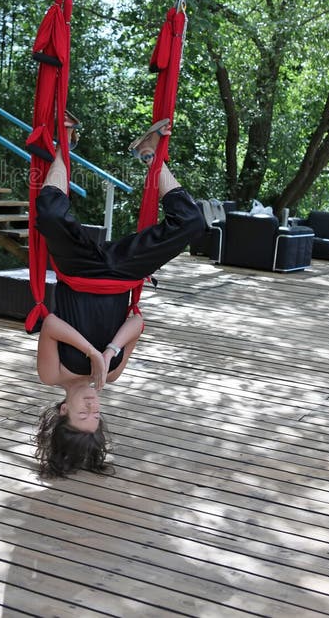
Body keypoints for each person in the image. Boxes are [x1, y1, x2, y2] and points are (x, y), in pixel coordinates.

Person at [33, 116, 205, 479]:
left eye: (83, 415)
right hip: (122, 276)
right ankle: (149, 154)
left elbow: (51, 324)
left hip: (78, 272)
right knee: (191, 223)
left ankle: (64, 149)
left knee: (49, 214)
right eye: (96, 416)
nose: (93, 407)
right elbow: (137, 322)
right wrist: (110, 353)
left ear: (63, 411)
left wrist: (93, 353)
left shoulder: (52, 374)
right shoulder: (109, 376)